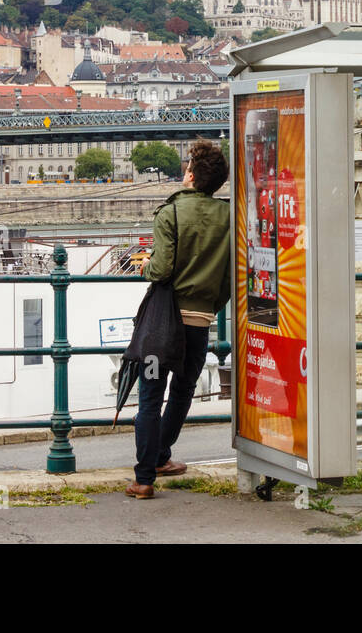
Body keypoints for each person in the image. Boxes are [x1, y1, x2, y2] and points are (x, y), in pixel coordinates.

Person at [127, 139, 232, 499]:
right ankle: (161, 456)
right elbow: (229, 280)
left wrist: (144, 266)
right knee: (183, 391)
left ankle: (144, 479)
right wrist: (209, 305)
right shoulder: (229, 217)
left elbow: (162, 269)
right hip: (199, 323)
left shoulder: (170, 213)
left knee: (151, 396)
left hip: (162, 327)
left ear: (189, 174)